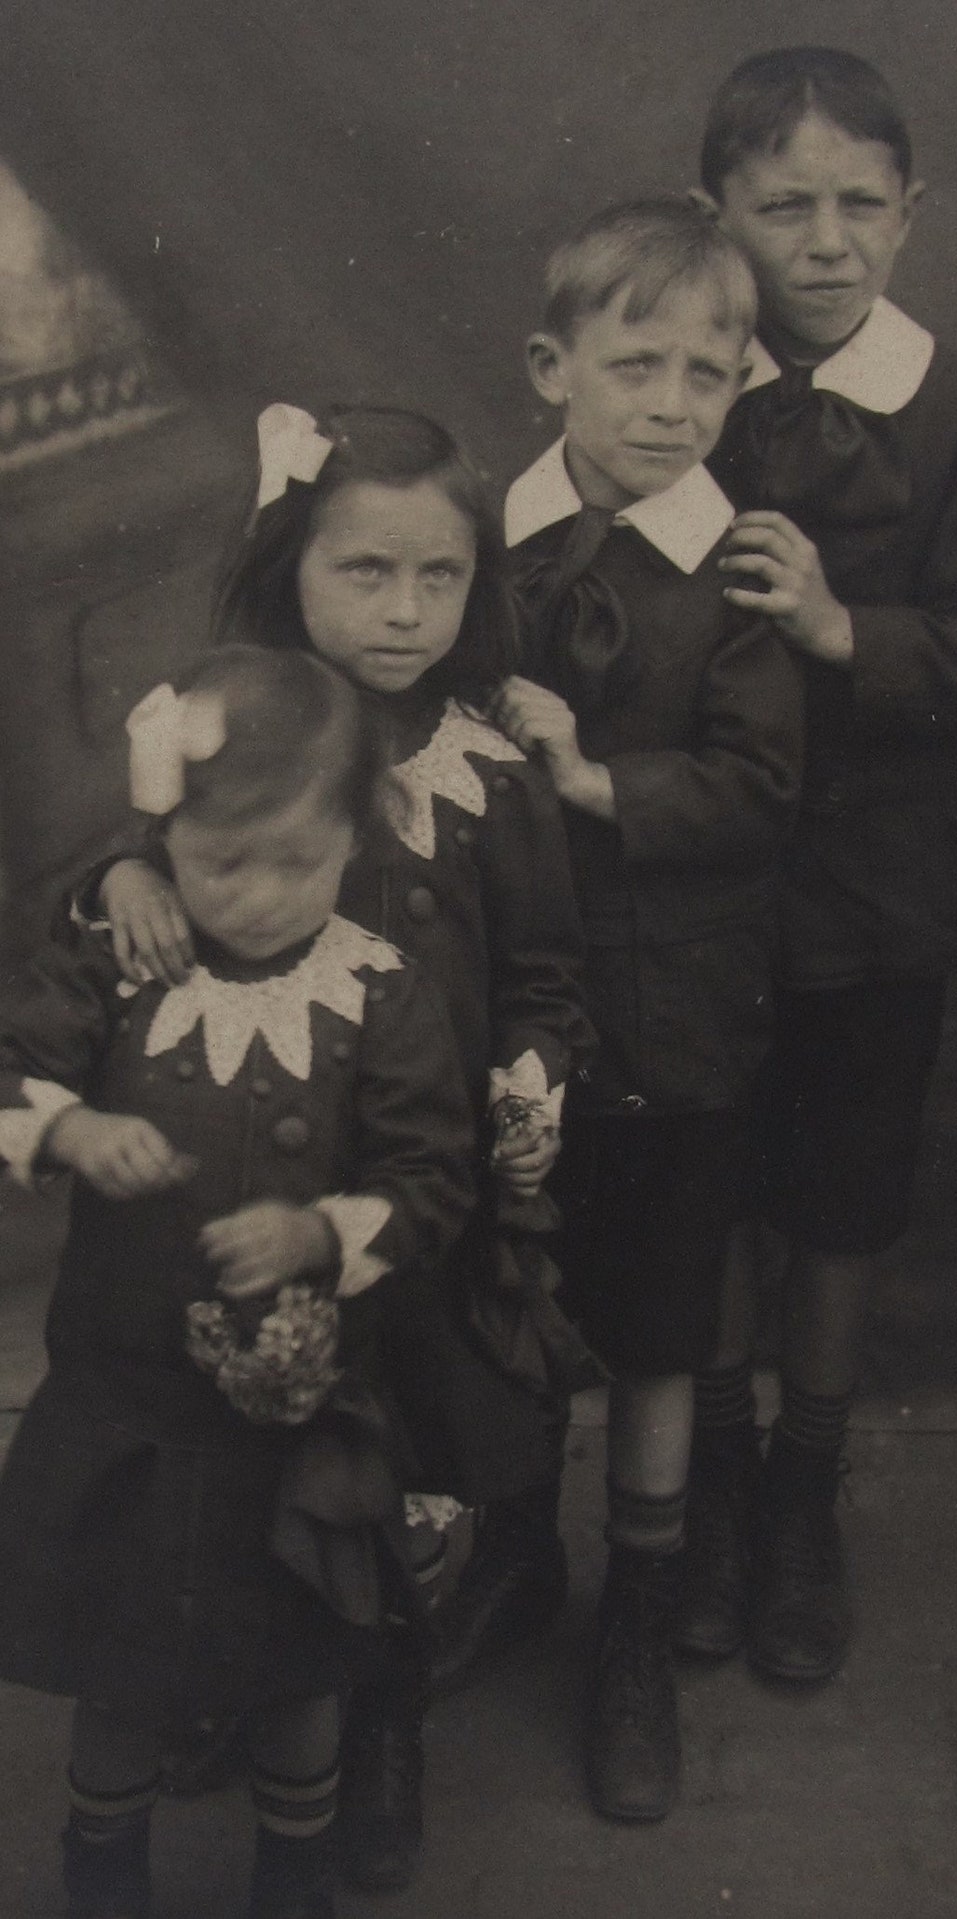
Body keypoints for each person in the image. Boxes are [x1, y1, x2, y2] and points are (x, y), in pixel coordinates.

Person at [80, 403, 594, 1891]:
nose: (403, 611)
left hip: (409, 1202)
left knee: (392, 1475)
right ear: (293, 561)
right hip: (248, 1180)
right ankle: (226, 1684)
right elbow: (132, 852)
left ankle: (380, 1723)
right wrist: (125, 862)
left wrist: (534, 1067)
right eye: (366, 572)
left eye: (438, 578)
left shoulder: (488, 769)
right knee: (237, 1460)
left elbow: (549, 972)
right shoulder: (233, 721)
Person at [0, 643, 483, 1919]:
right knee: (121, 1669)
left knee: (301, 1659)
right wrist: (63, 1129)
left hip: (301, 1420)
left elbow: (434, 1176)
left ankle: (295, 1871)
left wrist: (325, 1234)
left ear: (355, 839)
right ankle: (102, 1868)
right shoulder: (124, 958)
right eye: (221, 866)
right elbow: (11, 1066)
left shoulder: (379, 992)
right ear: (163, 842)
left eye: (299, 863)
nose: (260, 898)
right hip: (131, 1411)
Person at [680, 46, 957, 1686]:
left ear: (911, 214)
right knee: (708, 1194)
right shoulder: (675, 379)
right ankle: (720, 1484)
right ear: (720, 218)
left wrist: (841, 628)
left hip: (884, 892)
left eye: (857, 204)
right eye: (783, 206)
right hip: (703, 888)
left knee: (836, 1204)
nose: (824, 241)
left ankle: (807, 1494)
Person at [490, 193, 804, 1821]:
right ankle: (508, 1562)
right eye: (636, 363)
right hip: (517, 1011)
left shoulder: (741, 570)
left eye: (708, 369)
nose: (673, 401)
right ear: (556, 366)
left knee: (668, 1322)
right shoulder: (481, 547)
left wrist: (596, 777)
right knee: (518, 1291)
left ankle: (641, 1609)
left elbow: (760, 782)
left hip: (679, 1015)